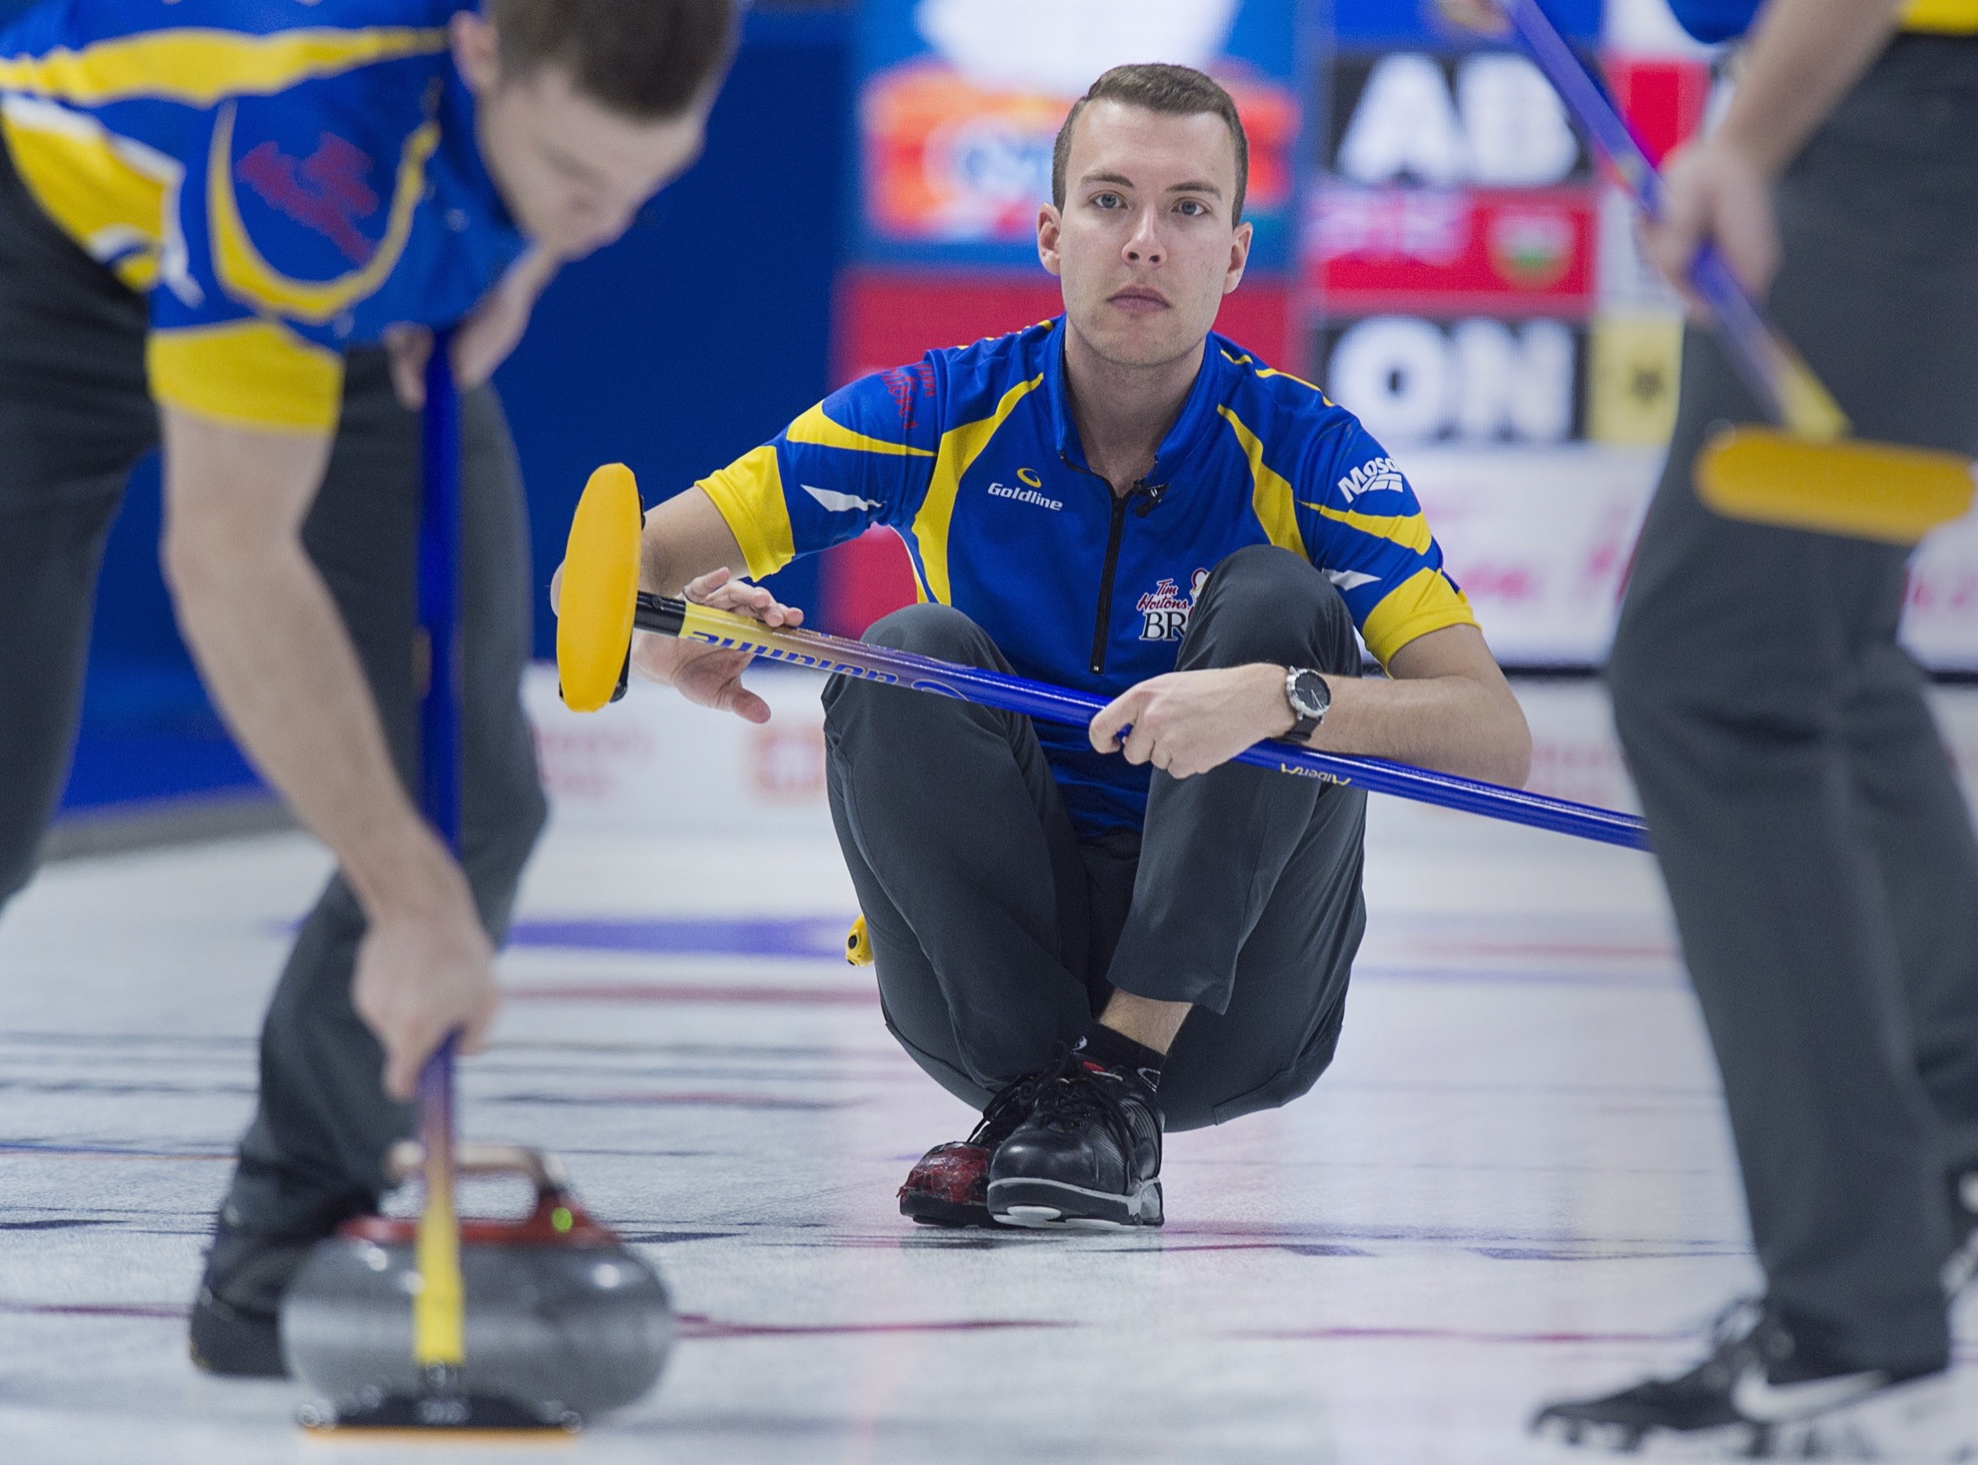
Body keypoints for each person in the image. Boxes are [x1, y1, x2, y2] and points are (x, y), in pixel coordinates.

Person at [574, 62, 1531, 1230]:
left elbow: (1492, 734)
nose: (1143, 242)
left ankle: (1109, 1088)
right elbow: (621, 568)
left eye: (1186, 210)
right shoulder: (938, 406)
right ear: (1049, 233)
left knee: (1282, 604)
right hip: (992, 1005)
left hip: (1232, 1013)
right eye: (1108, 200)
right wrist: (670, 646)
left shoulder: (1314, 454)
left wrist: (1285, 700)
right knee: (901, 648)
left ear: (1232, 255)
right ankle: (1051, 1106)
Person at [0, 0, 738, 1373]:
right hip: (46, 263)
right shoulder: (314, 138)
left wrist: (519, 252)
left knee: (477, 807)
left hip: (369, 255)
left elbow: (569, 181)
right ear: (483, 47)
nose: (602, 222)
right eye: (574, 179)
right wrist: (402, 901)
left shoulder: (550, 101)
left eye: (644, 187)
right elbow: (226, 559)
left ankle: (284, 1243)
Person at [1446, 0, 1978, 1453]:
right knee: (1821, 656)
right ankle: (1946, 1157)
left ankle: (1858, 1320)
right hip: (1893, 116)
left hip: (1901, 114)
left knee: (1718, 681)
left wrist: (1748, 134)